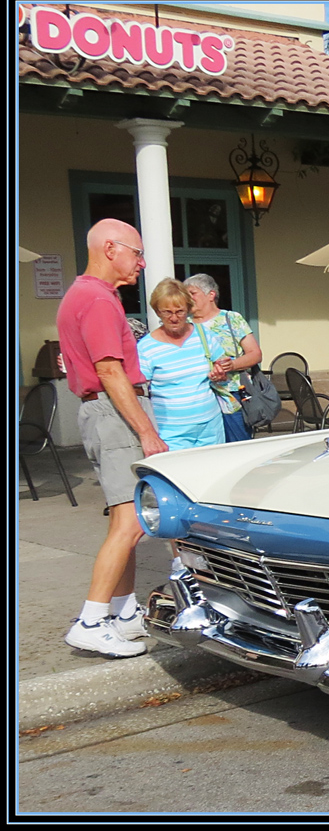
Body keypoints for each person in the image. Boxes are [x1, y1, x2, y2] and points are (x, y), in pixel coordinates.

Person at [56, 219, 168, 658]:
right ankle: (91, 620)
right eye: (136, 253)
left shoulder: (86, 295)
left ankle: (123, 613)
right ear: (109, 248)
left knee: (127, 517)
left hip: (103, 409)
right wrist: (147, 431)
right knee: (131, 522)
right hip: (113, 410)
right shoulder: (98, 300)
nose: (141, 263)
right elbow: (109, 371)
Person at [137, 279, 231, 450]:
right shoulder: (146, 347)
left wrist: (220, 373)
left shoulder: (203, 334)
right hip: (170, 431)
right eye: (167, 312)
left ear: (188, 309)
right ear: (158, 312)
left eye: (180, 311)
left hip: (210, 425)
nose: (174, 318)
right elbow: (140, 391)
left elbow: (223, 367)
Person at [185, 273, 262, 442]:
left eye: (192, 293)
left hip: (230, 395)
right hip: (196, 397)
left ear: (211, 295)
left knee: (237, 447)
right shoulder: (184, 324)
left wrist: (232, 365)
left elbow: (255, 354)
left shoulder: (231, 319)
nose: (187, 298)